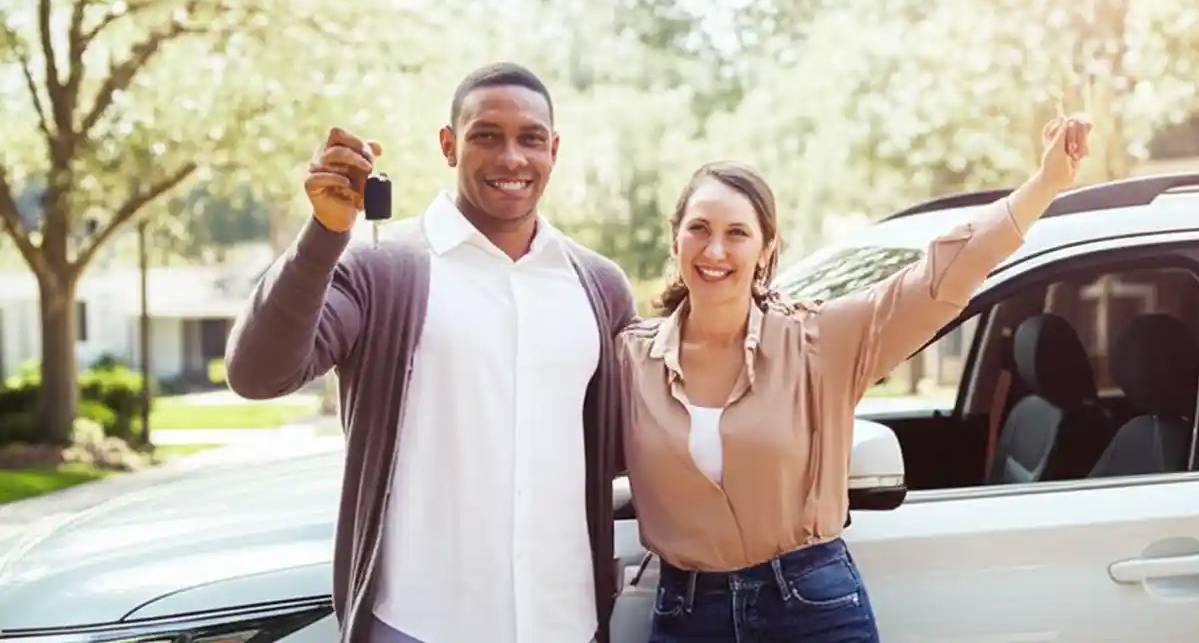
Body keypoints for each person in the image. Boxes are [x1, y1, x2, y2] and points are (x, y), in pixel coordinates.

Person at [616, 114, 1092, 641]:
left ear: (765, 250)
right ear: (675, 236)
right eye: (699, 229)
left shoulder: (820, 340)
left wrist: (1045, 184)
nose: (715, 251)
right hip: (688, 614)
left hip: (809, 605)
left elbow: (938, 279)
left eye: (737, 234)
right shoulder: (631, 360)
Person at [224, 62, 636, 643]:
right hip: (417, 624)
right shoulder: (381, 271)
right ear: (449, 145)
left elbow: (634, 443)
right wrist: (323, 233)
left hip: (564, 621)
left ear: (554, 150)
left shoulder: (598, 285)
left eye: (531, 139)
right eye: (486, 135)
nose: (512, 158)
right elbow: (257, 374)